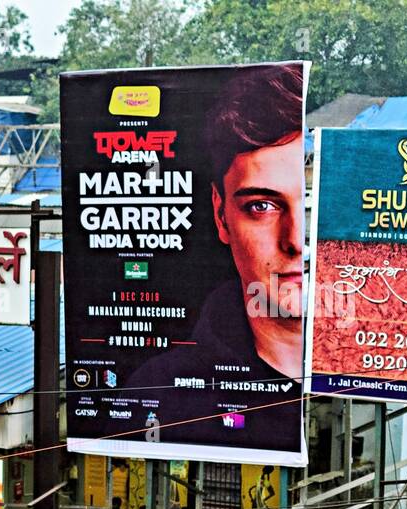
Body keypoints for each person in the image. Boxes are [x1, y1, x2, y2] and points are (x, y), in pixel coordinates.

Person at [125, 64, 306, 447]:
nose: (296, 240)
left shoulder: (383, 372)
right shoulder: (159, 391)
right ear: (220, 215)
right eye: (261, 206)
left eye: (310, 206)